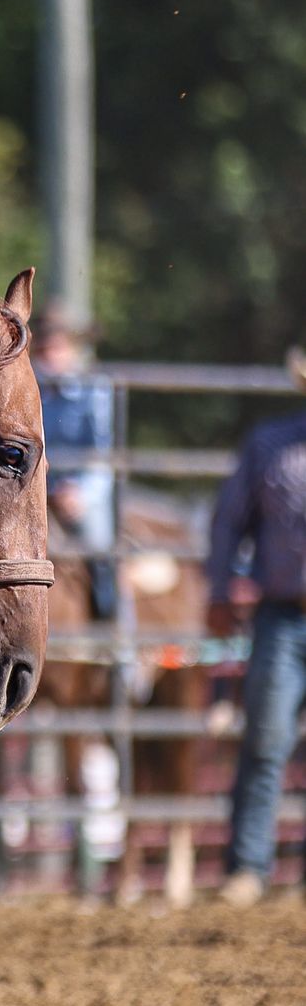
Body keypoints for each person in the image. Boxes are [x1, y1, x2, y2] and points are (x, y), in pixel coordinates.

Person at [204, 332, 306, 905]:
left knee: (267, 742)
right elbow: (229, 522)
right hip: (282, 615)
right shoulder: (270, 446)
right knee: (266, 740)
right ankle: (248, 866)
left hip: (283, 617)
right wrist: (219, 590)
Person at [34, 322, 118, 622]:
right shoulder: (28, 386)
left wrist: (79, 492)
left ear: (71, 350)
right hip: (35, 488)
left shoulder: (93, 389)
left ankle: (114, 637)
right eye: (43, 349)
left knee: (102, 550)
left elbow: (103, 453)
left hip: (81, 492)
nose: (48, 357)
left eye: (56, 348)